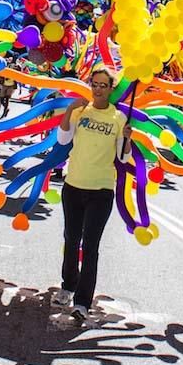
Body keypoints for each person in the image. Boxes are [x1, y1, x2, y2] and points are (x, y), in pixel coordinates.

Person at [51, 67, 131, 322]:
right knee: (71, 239)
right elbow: (63, 139)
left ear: (111, 89)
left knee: (91, 246)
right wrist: (70, 109)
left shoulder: (118, 118)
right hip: (73, 185)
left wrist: (128, 138)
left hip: (101, 190)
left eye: (103, 85)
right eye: (94, 84)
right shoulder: (80, 110)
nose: (98, 89)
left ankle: (83, 302)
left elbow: (123, 156)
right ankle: (67, 287)